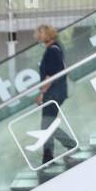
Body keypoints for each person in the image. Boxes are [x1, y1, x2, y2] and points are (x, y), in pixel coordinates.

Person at [34, 26, 77, 163]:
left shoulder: (52, 51)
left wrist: (42, 93)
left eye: (39, 34)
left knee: (47, 125)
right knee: (47, 125)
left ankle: (67, 147)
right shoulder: (55, 48)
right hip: (57, 92)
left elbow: (50, 76)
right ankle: (49, 156)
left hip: (54, 93)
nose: (37, 37)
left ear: (46, 35)